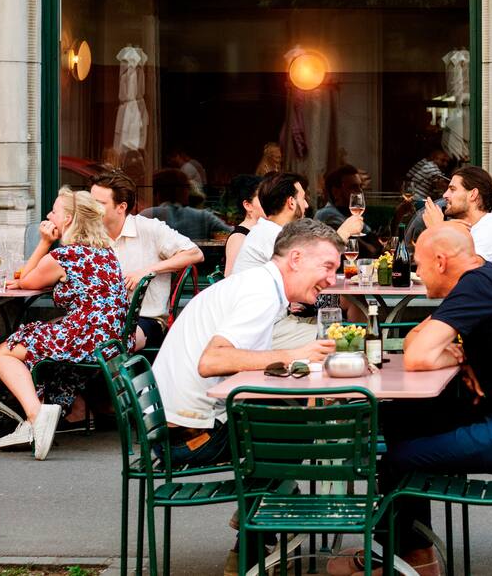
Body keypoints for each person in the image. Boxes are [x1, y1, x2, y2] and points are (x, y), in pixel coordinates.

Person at [329, 224, 492, 575]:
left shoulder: (478, 287)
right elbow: (417, 340)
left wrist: (456, 355)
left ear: (442, 261)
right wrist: (464, 355)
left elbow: (416, 355)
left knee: (398, 458)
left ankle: (408, 560)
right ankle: (409, 554)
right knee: (401, 416)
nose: (416, 272)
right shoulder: (484, 278)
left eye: (418, 264)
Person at [152, 219, 341, 467]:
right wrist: (294, 355)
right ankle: (270, 501)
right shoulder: (261, 293)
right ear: (295, 259)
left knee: (289, 408)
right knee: (297, 426)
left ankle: (270, 499)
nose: (332, 280)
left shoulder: (259, 282)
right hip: (188, 438)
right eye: (327, 267)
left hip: (174, 427)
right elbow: (211, 361)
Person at [0, 187, 132, 460]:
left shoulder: (65, 255)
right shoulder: (105, 252)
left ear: (67, 219)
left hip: (86, 340)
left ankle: (35, 418)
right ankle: (34, 422)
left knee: (4, 352)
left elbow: (25, 280)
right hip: (110, 341)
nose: (48, 215)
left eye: (54, 211)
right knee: (40, 339)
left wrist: (44, 242)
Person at [232, 173, 363, 347]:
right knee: (348, 341)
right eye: (303, 198)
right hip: (266, 329)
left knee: (354, 328)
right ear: (291, 202)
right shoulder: (270, 234)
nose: (307, 204)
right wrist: (344, 231)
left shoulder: (272, 231)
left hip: (278, 320)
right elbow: (315, 263)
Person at [89, 168, 204, 350]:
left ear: (121, 207)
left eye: (99, 203)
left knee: (109, 346)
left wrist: (149, 270)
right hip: (98, 318)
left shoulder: (148, 228)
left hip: (145, 319)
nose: (91, 208)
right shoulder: (89, 234)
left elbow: (195, 253)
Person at [421, 165, 492, 281]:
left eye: (452, 189)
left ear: (473, 194)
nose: (445, 195)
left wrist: (437, 230)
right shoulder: (475, 227)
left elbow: (463, 273)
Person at [140, 168, 231, 240]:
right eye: (187, 187)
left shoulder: (146, 215)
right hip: (195, 262)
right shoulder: (204, 217)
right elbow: (233, 233)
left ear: (156, 193)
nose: (189, 191)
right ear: (183, 191)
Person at [223, 174, 264, 277]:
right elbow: (230, 278)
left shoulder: (261, 231)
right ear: (248, 205)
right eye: (262, 198)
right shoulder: (238, 238)